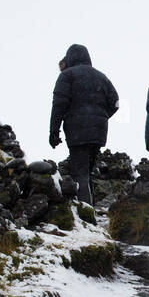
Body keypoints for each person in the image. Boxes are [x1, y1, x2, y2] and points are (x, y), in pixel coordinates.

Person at [49, 44, 119, 205]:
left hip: (77, 131)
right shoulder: (102, 77)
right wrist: (101, 117)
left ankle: (85, 213)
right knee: (87, 171)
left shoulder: (67, 75)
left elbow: (59, 104)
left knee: (79, 172)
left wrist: (54, 131)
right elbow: (115, 103)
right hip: (98, 133)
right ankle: (90, 207)